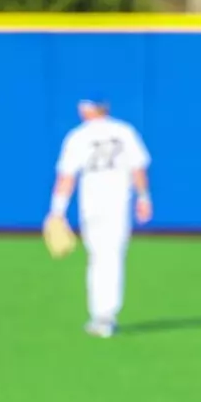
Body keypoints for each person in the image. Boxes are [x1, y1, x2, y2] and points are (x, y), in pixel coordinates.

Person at [43, 96, 152, 338]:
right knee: (112, 257)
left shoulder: (79, 136)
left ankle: (100, 316)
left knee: (97, 257)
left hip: (92, 206)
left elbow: (66, 177)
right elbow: (138, 168)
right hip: (118, 204)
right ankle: (106, 315)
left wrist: (57, 211)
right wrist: (144, 197)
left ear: (88, 109)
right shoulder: (124, 131)